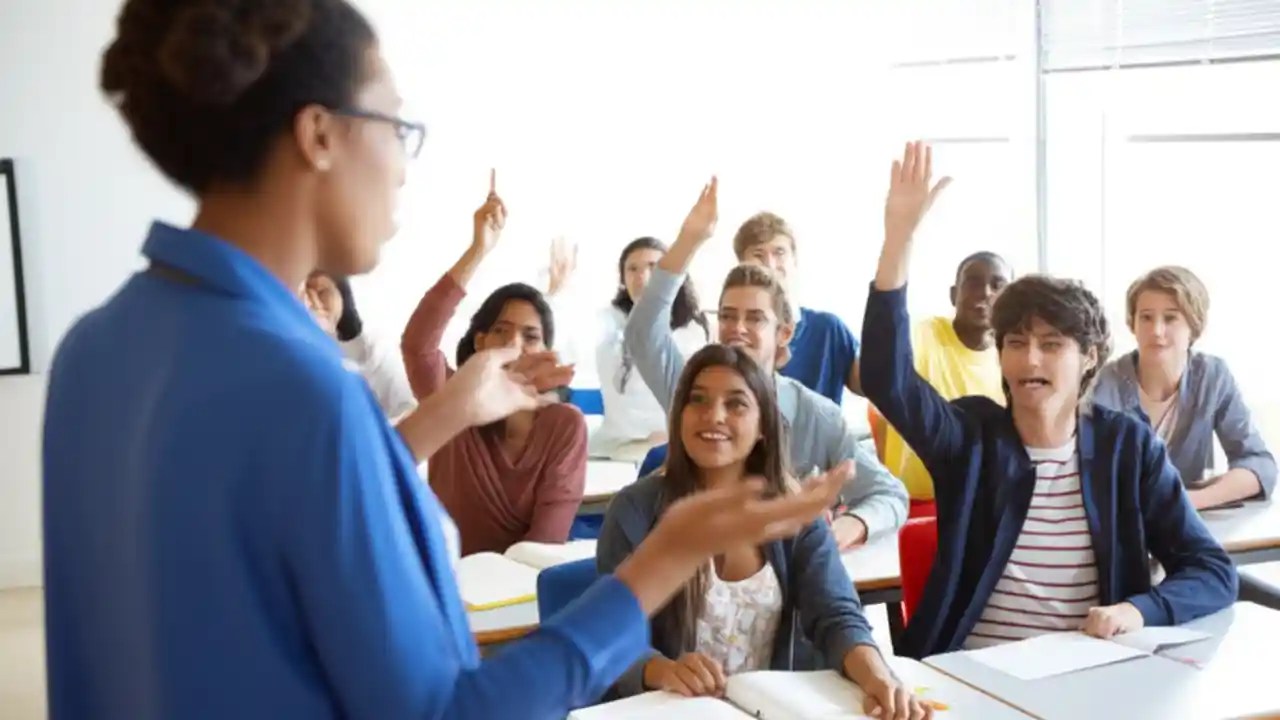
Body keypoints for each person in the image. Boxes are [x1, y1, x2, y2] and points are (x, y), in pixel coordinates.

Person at [41, 2, 847, 717]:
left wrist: (444, 416)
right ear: (320, 134)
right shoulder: (305, 393)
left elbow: (269, 523)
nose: (402, 164)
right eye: (396, 126)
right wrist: (666, 557)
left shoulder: (96, 348)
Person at [861, 141, 1237, 658]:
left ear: (1089, 357)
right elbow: (887, 377)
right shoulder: (970, 436)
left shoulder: (1125, 448)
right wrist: (898, 240)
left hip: (1085, 673)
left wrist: (1137, 610)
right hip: (971, 674)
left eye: (1052, 344)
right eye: (1015, 342)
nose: (1029, 360)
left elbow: (1212, 571)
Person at [598, 344, 931, 718]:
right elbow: (608, 638)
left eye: (736, 404)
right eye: (698, 400)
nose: (714, 416)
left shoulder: (794, 515)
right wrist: (662, 670)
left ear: (762, 427)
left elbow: (836, 615)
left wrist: (879, 678)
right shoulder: (635, 511)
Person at [626, 179, 908, 549]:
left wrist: (845, 528)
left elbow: (889, 495)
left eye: (755, 318)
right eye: (728, 316)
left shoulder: (815, 415)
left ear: (784, 333)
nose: (737, 329)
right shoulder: (688, 388)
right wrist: (689, 240)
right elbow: (643, 332)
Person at [400, 175, 590, 555]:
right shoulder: (454, 400)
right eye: (501, 332)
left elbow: (545, 543)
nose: (514, 346)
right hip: (451, 582)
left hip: (517, 596)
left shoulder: (564, 425)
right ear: (479, 342)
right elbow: (418, 344)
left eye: (530, 337)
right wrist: (477, 250)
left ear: (546, 350)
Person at [1090, 266, 1276, 508]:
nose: (1156, 331)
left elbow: (1260, 465)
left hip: (1187, 527)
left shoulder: (1212, 377)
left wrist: (1190, 501)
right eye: (1146, 317)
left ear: (1193, 326)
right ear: (1132, 324)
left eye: (1170, 318)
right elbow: (1089, 474)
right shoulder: (1105, 383)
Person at [872, 252, 1012, 516]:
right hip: (911, 503)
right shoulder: (922, 335)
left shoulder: (1014, 355)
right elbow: (885, 378)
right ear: (953, 294)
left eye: (998, 285)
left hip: (980, 505)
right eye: (973, 282)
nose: (985, 292)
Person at [589, 237, 710, 458]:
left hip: (674, 447)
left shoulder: (694, 333)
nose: (642, 277)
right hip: (614, 449)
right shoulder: (608, 323)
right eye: (632, 269)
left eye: (653, 267)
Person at [733, 211, 862, 405]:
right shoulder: (734, 333)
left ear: (795, 260)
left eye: (779, 253)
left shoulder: (828, 329)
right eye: (758, 255)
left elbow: (873, 386)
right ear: (742, 266)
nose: (770, 264)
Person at [303, 270, 417, 420]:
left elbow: (406, 411)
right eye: (303, 294)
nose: (314, 302)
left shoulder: (371, 347)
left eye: (322, 291)